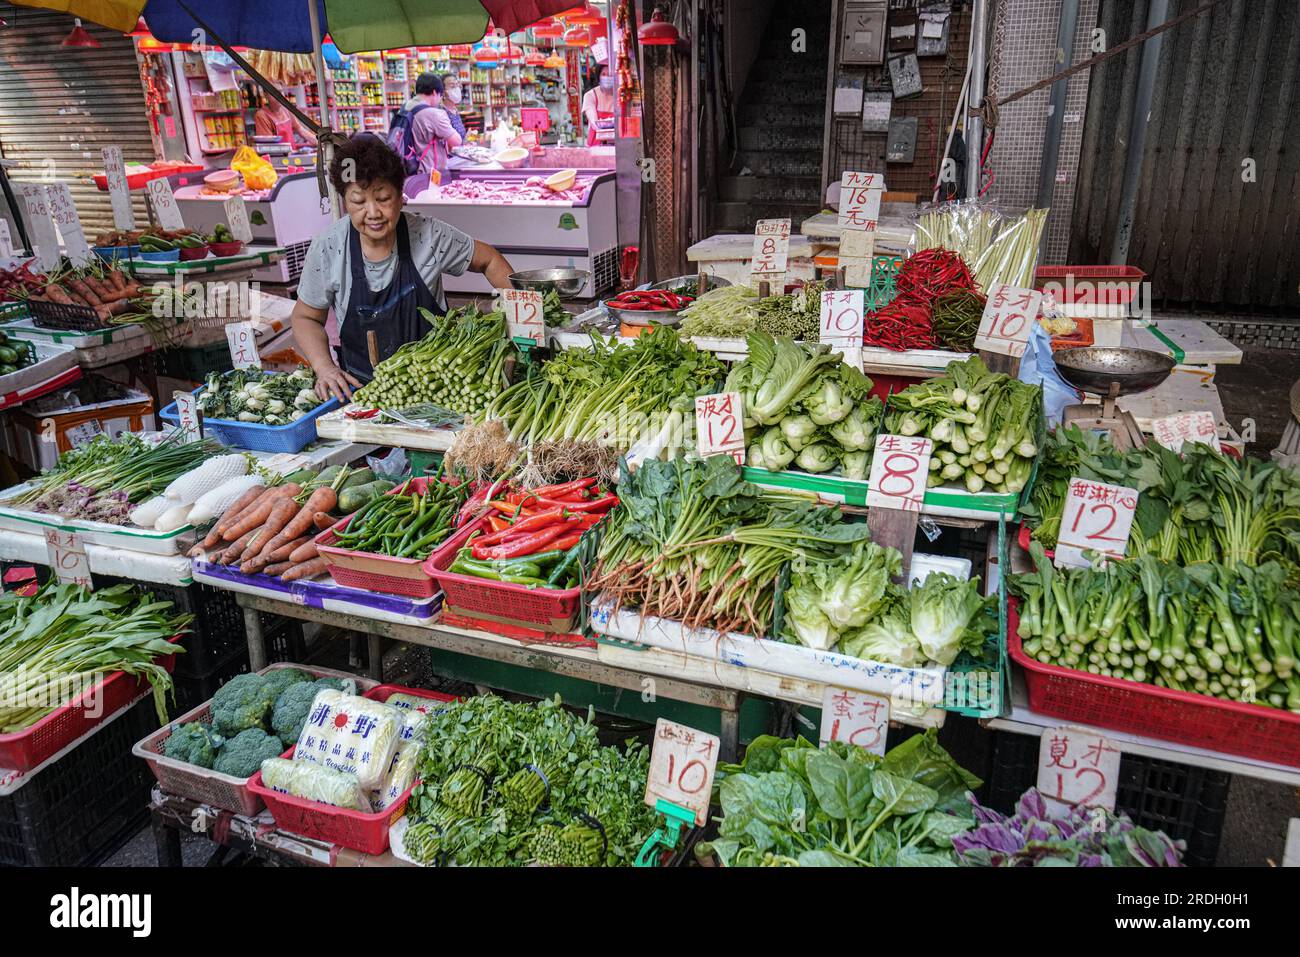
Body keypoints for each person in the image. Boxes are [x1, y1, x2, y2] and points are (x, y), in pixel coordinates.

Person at [291, 134, 515, 402]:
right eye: (359, 201)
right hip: (362, 394)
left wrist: (523, 313)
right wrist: (325, 368)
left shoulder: (429, 235)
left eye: (383, 198)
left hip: (438, 389)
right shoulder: (329, 247)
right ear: (344, 201)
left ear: (400, 196)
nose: (372, 212)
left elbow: (489, 260)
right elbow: (306, 318)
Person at [397, 72, 462, 194]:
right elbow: (456, 140)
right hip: (429, 174)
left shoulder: (405, 108)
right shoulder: (433, 113)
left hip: (409, 171)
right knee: (433, 207)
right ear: (434, 92)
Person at [581, 63, 615, 147]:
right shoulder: (590, 95)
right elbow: (593, 121)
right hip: (596, 145)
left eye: (610, 74)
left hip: (617, 146)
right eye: (603, 74)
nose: (607, 77)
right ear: (598, 77)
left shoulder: (621, 96)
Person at [440, 73, 468, 140]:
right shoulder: (442, 112)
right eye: (452, 86)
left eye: (457, 85)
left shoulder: (455, 110)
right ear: (443, 91)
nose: (456, 89)